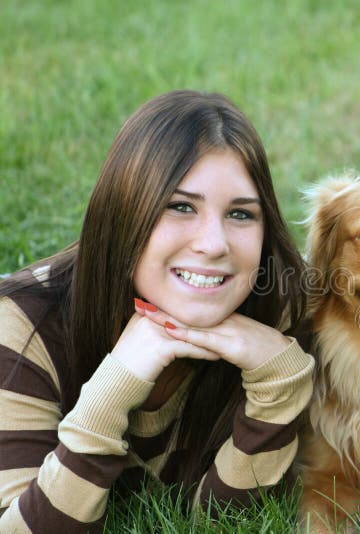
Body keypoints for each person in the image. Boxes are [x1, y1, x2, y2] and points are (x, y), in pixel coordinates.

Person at [0, 90, 314, 532]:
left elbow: (231, 522)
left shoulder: (274, 311)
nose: (214, 244)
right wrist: (112, 390)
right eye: (180, 207)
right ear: (124, 212)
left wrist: (279, 384)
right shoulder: (22, 328)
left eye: (241, 215)